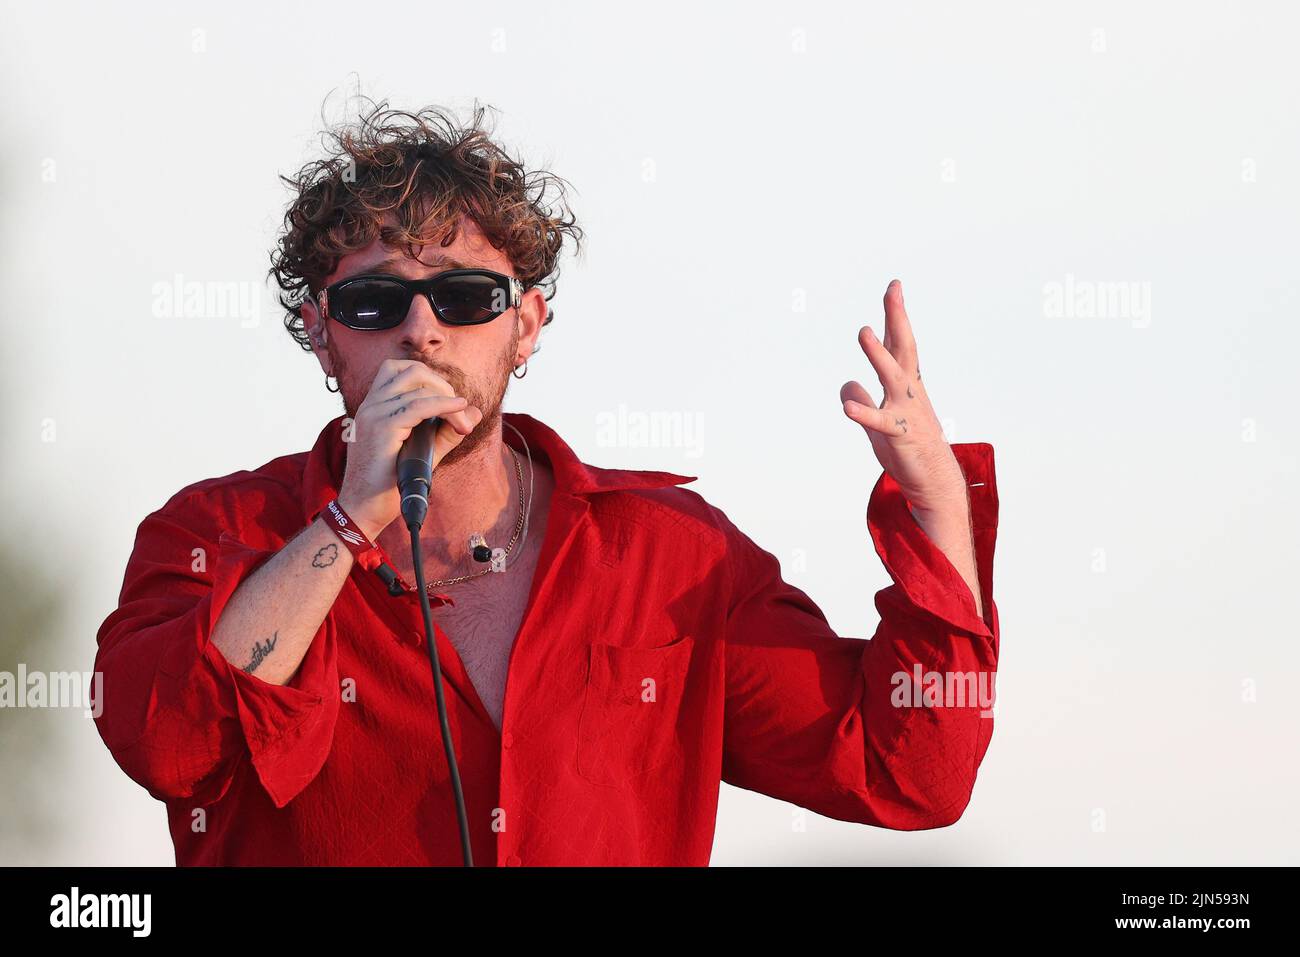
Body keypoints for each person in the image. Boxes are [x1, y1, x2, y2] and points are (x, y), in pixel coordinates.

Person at [92, 99, 1001, 866]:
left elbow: (910, 772)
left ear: (526, 327)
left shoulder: (672, 555)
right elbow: (171, 746)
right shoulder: (214, 533)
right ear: (323, 332)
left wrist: (938, 508)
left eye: (464, 297)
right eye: (374, 303)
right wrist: (350, 517)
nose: (422, 331)